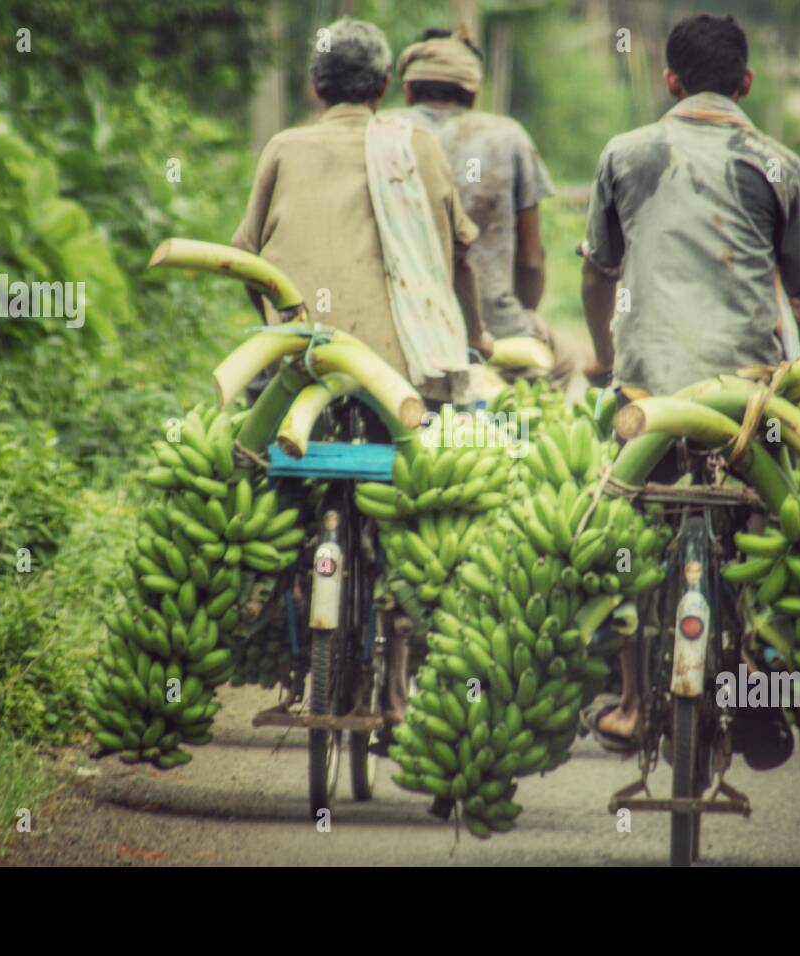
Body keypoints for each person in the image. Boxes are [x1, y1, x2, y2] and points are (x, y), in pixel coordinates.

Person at [578, 14, 800, 749]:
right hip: (749, 392)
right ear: (746, 83)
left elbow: (599, 273)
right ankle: (762, 658)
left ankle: (630, 701)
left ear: (671, 82)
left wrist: (605, 356)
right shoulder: (779, 164)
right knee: (774, 512)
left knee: (620, 518)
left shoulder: (625, 154)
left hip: (649, 393)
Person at [231, 17, 490, 724]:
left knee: (260, 472)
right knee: (418, 503)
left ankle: (270, 579)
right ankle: (403, 648)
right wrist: (474, 337)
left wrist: (275, 331)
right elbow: (456, 254)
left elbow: (245, 255)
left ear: (315, 88)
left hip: (297, 364)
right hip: (395, 376)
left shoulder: (284, 146)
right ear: (383, 88)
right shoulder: (414, 143)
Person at [386, 27, 561, 373]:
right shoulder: (507, 136)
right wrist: (523, 314)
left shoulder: (381, 130)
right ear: (472, 92)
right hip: (493, 325)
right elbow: (532, 258)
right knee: (564, 364)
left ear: (408, 90)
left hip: (400, 323)